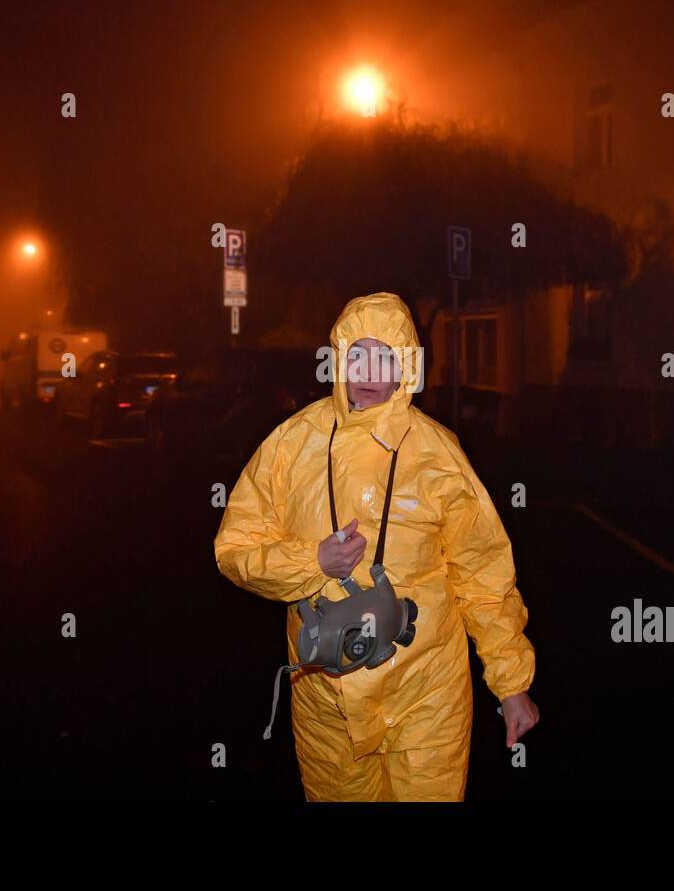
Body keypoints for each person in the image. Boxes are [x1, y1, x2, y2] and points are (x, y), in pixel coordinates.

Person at [214, 292, 538, 801]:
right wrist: (312, 561)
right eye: (356, 353)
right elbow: (235, 548)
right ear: (338, 359)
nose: (368, 369)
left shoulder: (438, 454)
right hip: (326, 698)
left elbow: (483, 573)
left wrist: (511, 682)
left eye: (385, 355)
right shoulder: (291, 444)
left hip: (425, 691)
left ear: (406, 365)